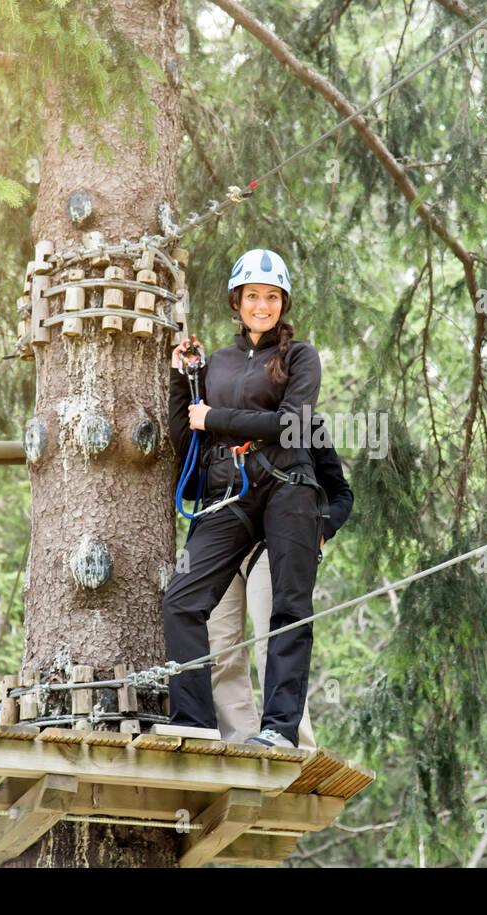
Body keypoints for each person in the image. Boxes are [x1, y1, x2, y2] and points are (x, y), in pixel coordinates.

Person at [163, 248, 325, 749]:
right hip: (230, 491)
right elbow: (185, 438)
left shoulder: (299, 357)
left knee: (288, 609)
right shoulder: (217, 363)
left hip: (288, 487)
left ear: (283, 303)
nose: (262, 305)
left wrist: (216, 418)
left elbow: (291, 423)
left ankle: (278, 730)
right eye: (253, 295)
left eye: (272, 297)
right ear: (237, 301)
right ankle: (194, 723)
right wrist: (180, 380)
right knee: (181, 600)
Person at [208, 415, 353, 748]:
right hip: (224, 544)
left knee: (273, 641)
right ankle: (238, 743)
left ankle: (294, 744)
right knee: (221, 649)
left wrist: (319, 533)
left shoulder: (304, 425)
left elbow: (341, 493)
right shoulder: (223, 419)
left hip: (277, 547)